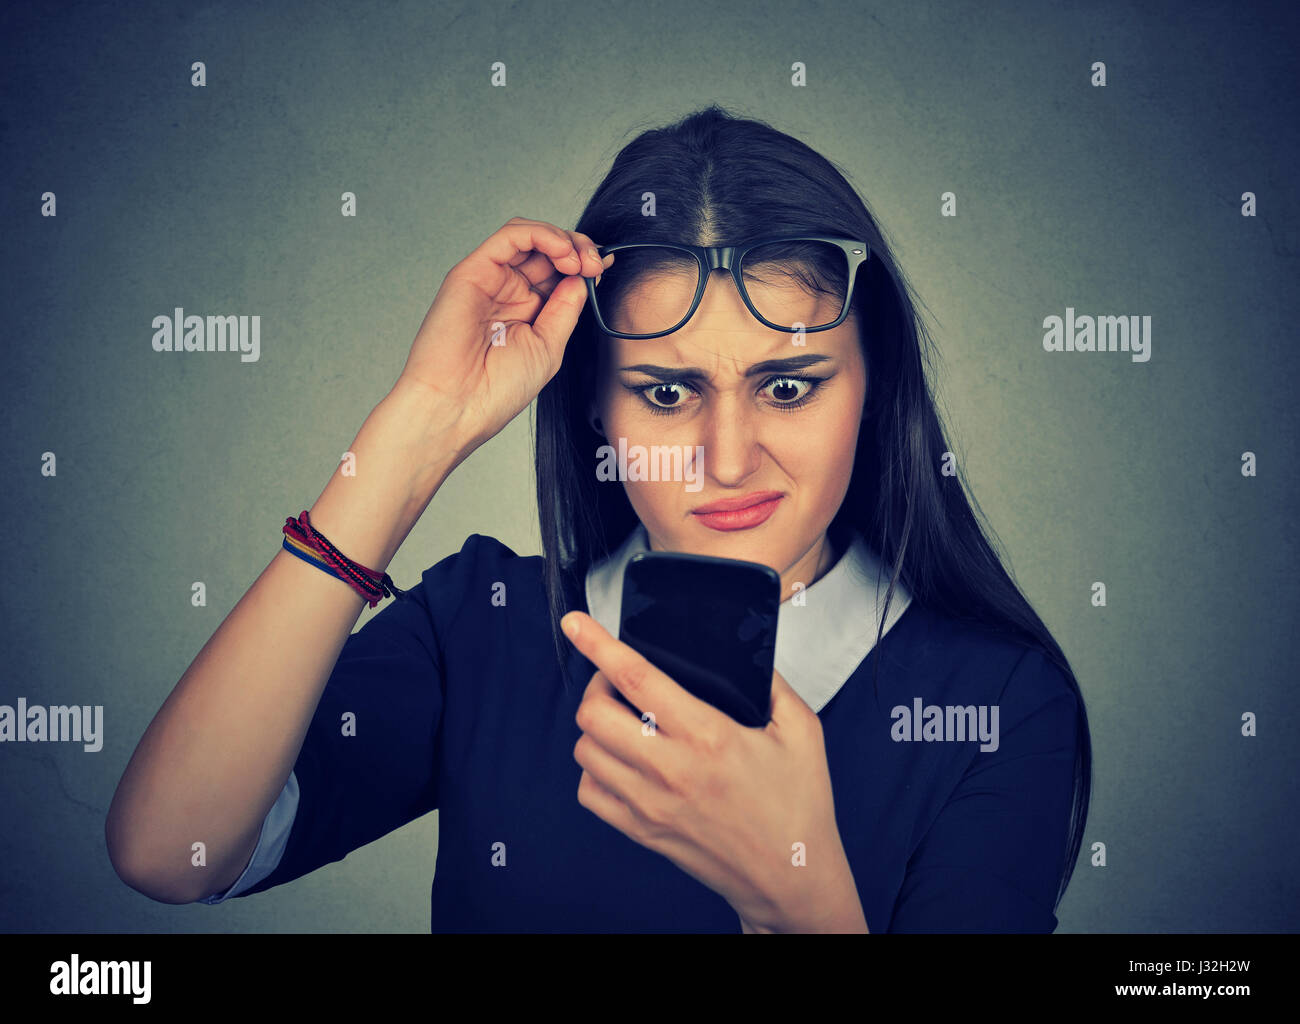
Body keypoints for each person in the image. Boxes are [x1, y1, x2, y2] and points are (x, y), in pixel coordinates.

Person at [105, 105, 1091, 933]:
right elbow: (169, 851)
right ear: (592, 403)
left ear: (872, 387)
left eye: (789, 385)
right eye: (666, 393)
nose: (728, 456)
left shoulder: (999, 703)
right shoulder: (485, 622)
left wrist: (796, 896)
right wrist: (417, 430)